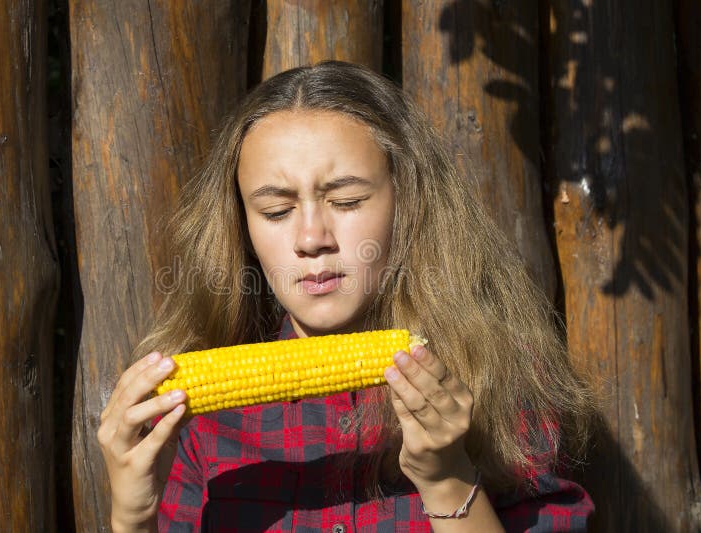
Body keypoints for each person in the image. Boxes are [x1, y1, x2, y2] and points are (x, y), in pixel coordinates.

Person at [97, 61, 596, 532]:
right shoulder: (195, 421)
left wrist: (447, 481)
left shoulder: (500, 373)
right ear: (240, 224)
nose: (312, 238)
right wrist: (131, 518)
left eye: (347, 201)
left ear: (408, 202)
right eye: (275, 211)